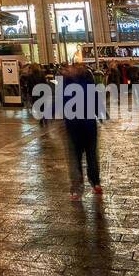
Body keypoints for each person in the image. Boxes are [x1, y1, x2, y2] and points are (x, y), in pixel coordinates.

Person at [61, 61, 101, 199]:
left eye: (79, 67)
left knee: (91, 155)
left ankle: (95, 180)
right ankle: (77, 185)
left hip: (88, 125)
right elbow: (61, 101)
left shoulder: (88, 82)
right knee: (76, 157)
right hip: (74, 126)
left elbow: (95, 99)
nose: (76, 69)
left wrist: (100, 112)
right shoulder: (66, 83)